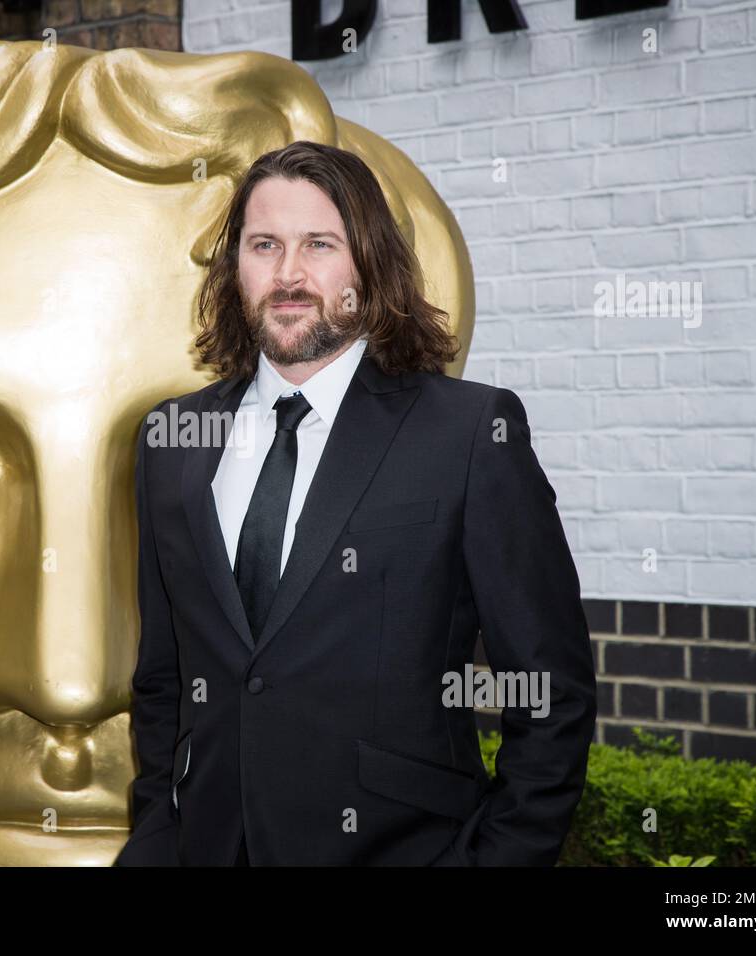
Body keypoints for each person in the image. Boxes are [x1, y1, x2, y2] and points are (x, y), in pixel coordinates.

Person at [116, 141, 597, 867]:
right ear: (234, 268)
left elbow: (550, 695)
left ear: (368, 264)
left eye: (319, 244)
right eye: (263, 244)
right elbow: (165, 679)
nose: (288, 274)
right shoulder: (173, 440)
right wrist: (158, 830)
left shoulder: (469, 435)